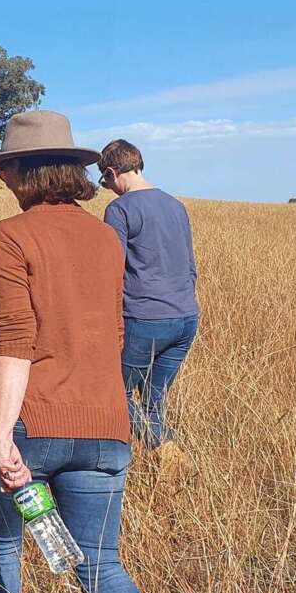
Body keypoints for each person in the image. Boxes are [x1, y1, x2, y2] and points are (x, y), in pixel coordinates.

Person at [0, 111, 208, 593]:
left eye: (6, 169)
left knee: (3, 544)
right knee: (102, 567)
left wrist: (5, 432)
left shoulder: (9, 235)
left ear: (22, 173)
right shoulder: (105, 238)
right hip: (106, 426)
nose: (4, 180)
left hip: (28, 422)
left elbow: (15, 334)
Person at [99, 139, 199, 451]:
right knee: (155, 396)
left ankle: (163, 449)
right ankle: (161, 464)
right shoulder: (175, 205)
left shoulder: (119, 209)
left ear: (114, 172)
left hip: (144, 318)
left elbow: (112, 269)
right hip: (185, 317)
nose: (106, 186)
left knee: (116, 392)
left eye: (105, 179)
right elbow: (190, 265)